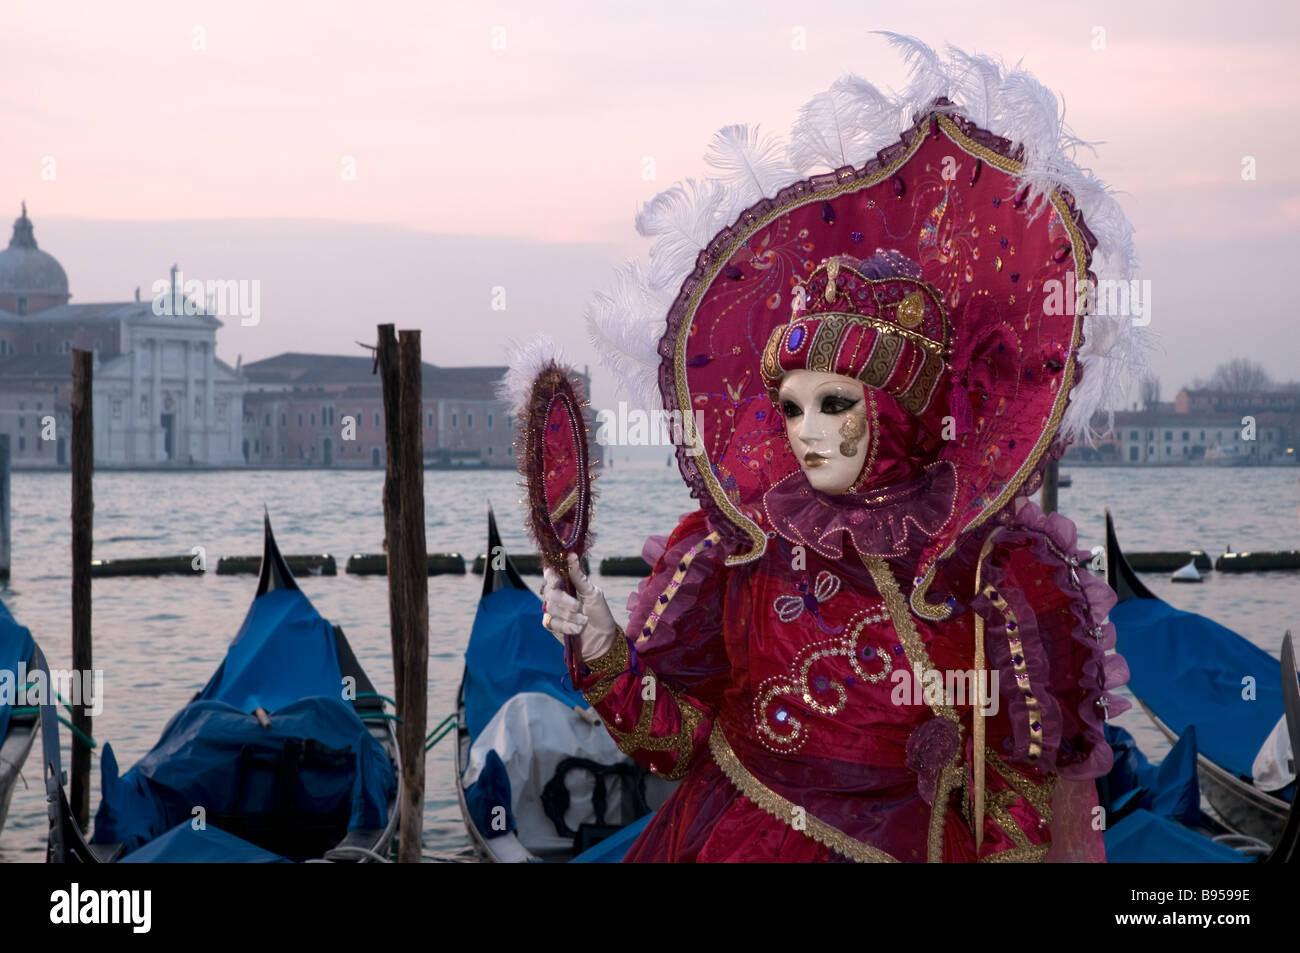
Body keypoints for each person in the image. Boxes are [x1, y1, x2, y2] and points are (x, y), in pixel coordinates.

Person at [540, 38, 1142, 862]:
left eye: (834, 404)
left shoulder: (1001, 572)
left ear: (899, 411)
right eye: (790, 407)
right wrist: (605, 642)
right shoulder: (739, 554)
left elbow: (1024, 798)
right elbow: (671, 746)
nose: (805, 433)